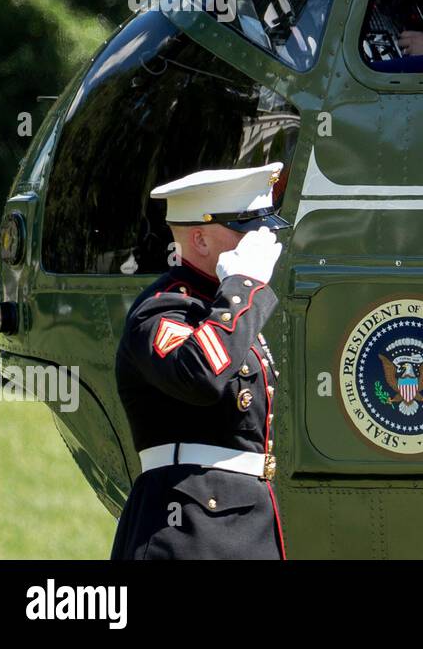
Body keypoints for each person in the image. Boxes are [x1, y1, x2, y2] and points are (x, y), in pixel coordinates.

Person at [111, 162, 289, 559]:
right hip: (187, 527)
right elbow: (200, 376)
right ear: (201, 240)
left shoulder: (219, 308)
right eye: (246, 228)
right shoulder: (161, 312)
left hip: (243, 524)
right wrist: (242, 288)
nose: (263, 238)